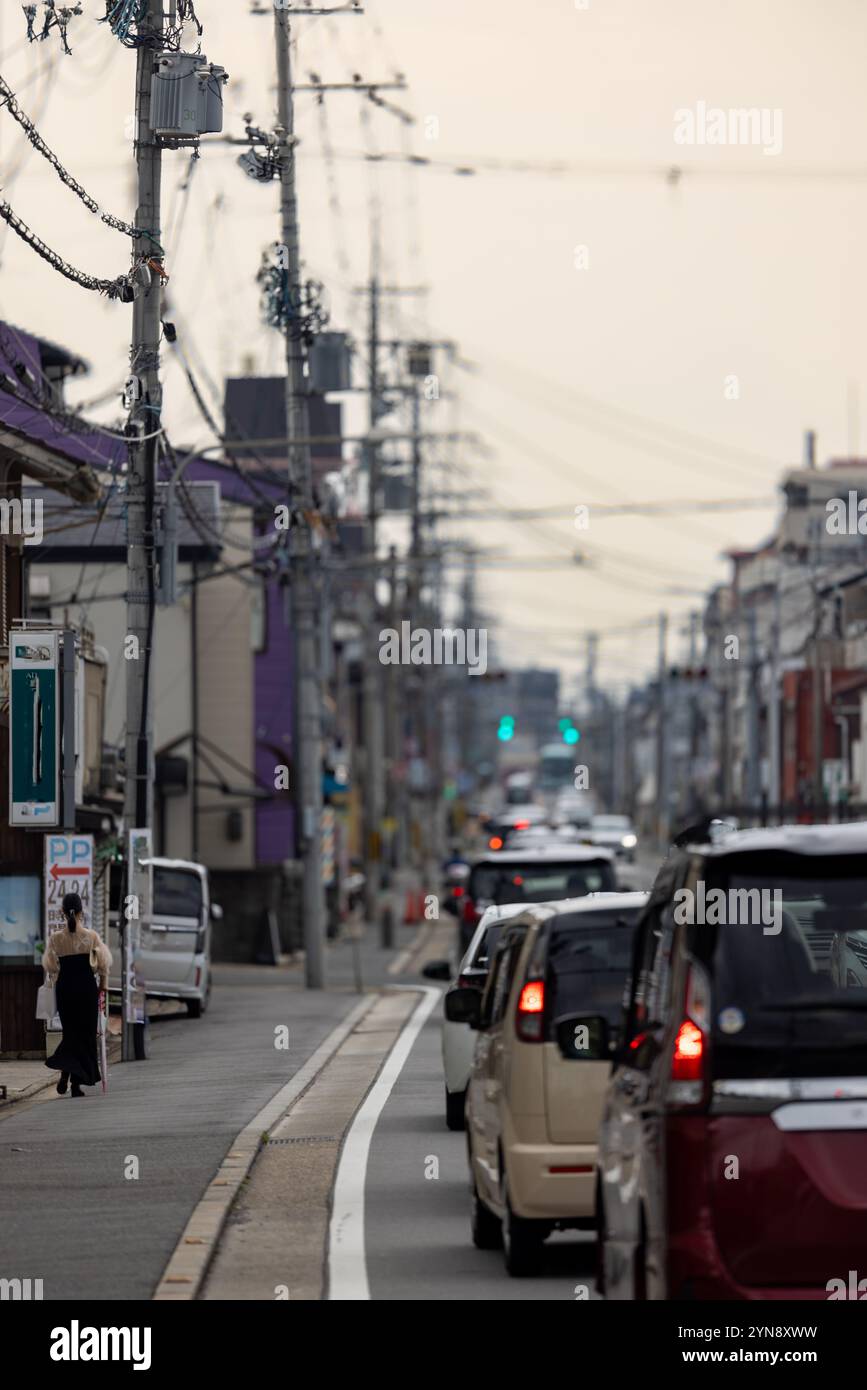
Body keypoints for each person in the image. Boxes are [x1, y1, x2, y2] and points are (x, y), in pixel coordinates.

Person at [43, 892, 112, 1098]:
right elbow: (104, 965)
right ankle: (75, 1084)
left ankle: (66, 1072)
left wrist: (58, 981)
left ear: (62, 912)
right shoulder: (91, 936)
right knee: (86, 1036)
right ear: (81, 912)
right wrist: (103, 988)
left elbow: (50, 966)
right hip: (86, 990)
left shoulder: (56, 939)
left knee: (71, 1034)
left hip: (66, 990)